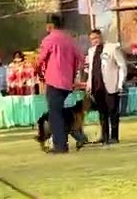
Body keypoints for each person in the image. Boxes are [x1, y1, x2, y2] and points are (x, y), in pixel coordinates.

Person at [35, 14, 83, 154]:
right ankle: (74, 137)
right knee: (60, 112)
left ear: (50, 25)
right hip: (67, 82)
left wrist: (39, 72)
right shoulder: (70, 40)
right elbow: (80, 58)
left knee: (54, 114)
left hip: (54, 81)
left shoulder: (49, 39)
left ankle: (60, 145)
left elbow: (40, 59)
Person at [83, 29, 127, 145]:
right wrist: (89, 84)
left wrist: (120, 83)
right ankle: (105, 136)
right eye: (92, 39)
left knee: (113, 111)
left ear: (101, 37)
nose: (95, 41)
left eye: (96, 38)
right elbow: (91, 69)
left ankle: (114, 136)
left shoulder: (112, 48)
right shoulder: (91, 51)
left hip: (111, 84)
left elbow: (122, 66)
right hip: (97, 86)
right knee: (102, 113)